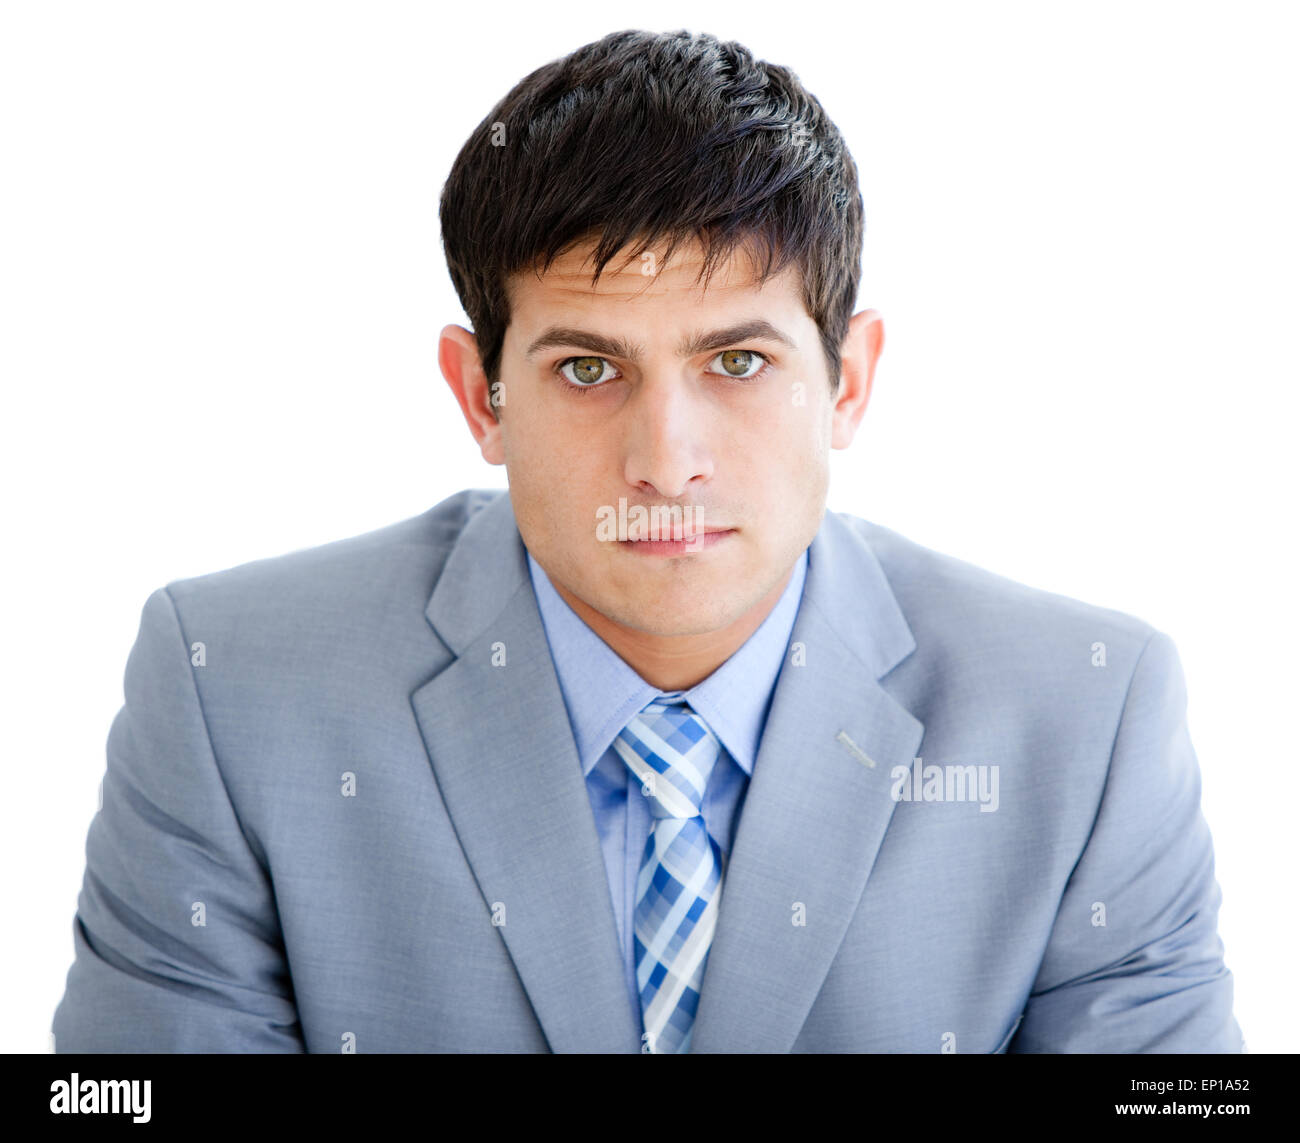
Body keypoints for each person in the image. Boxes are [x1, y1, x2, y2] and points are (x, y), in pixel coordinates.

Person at [52, 28, 1241, 1053]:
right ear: (481, 399)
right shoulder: (229, 691)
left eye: (737, 362)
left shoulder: (1088, 719)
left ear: (848, 381)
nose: (665, 460)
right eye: (585, 367)